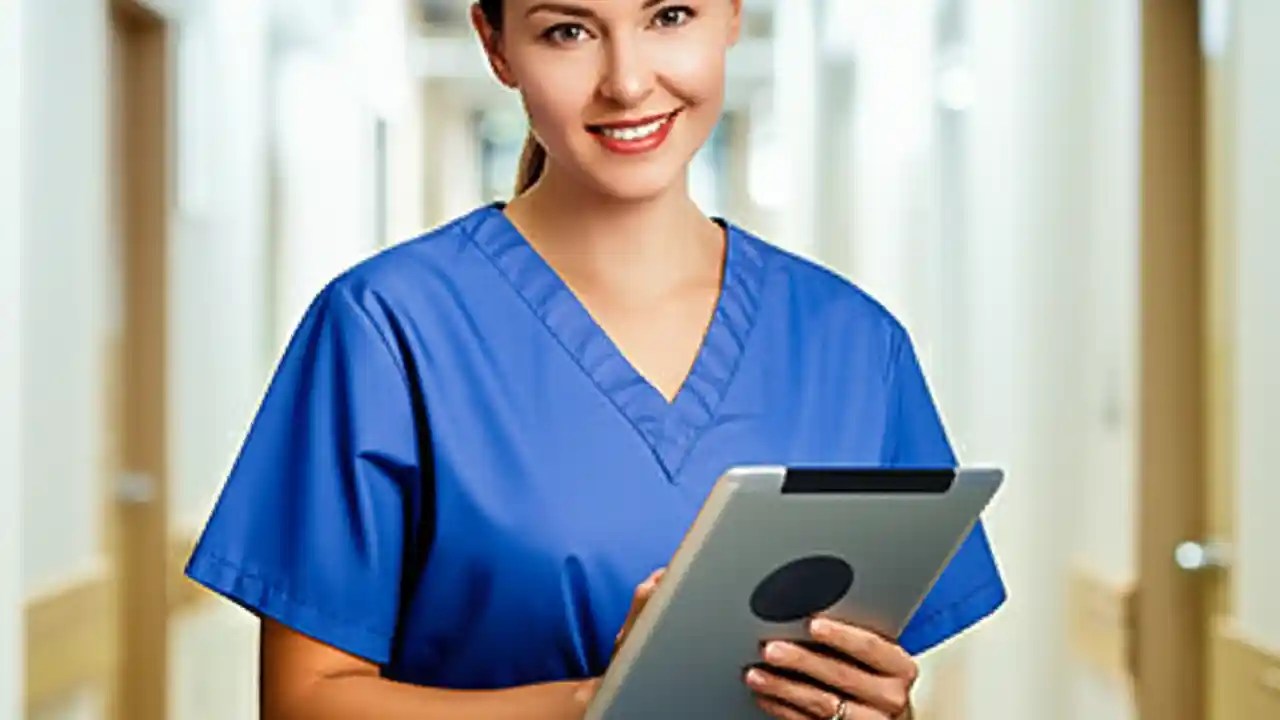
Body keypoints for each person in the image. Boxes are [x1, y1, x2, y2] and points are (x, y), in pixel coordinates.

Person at [184, 1, 1007, 718]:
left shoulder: (856, 346)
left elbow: (878, 683)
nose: (626, 81)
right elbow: (305, 701)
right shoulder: (385, 329)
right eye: (568, 30)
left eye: (669, 17)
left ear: (731, 13)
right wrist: (600, 702)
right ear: (496, 45)